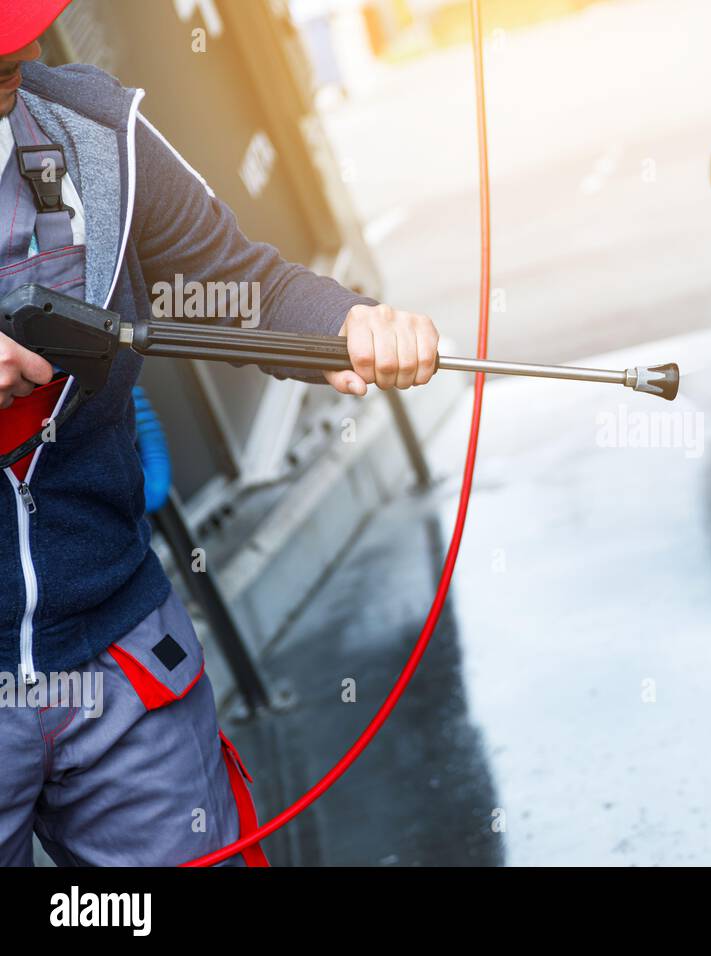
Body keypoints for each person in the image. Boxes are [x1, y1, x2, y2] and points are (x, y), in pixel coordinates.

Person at [0, 0, 439, 865]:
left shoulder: (97, 132)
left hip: (122, 659)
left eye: (7, 72)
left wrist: (344, 325)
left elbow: (239, 286)